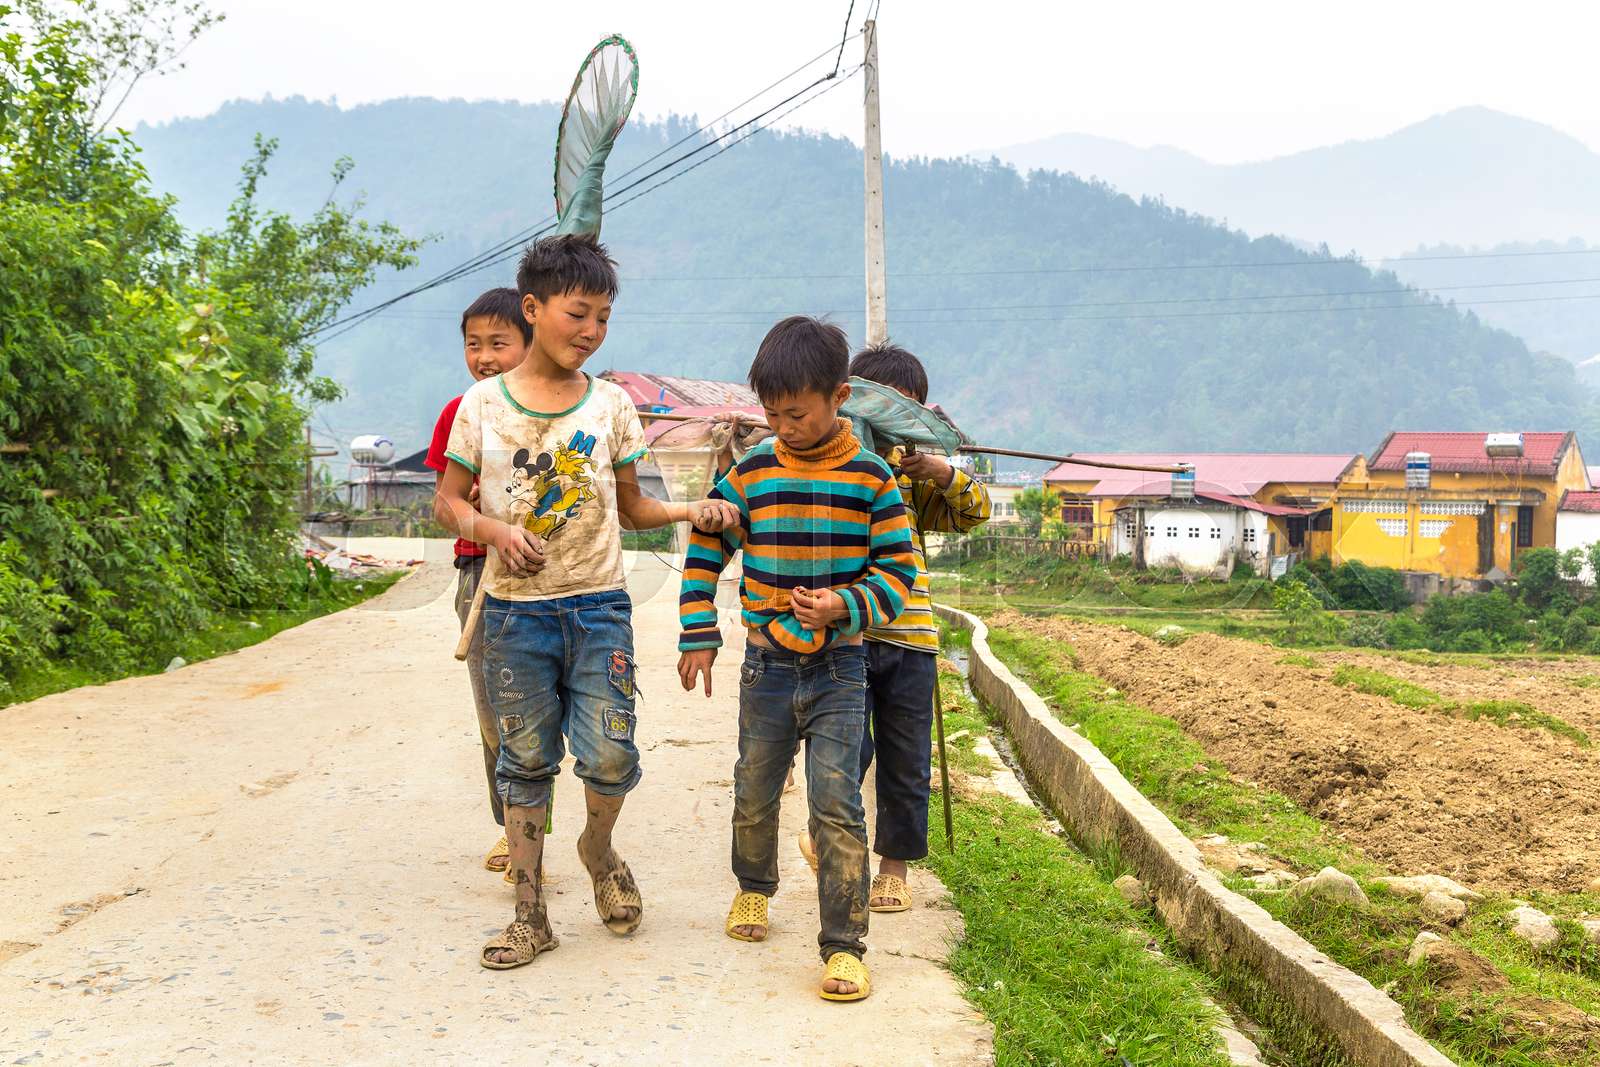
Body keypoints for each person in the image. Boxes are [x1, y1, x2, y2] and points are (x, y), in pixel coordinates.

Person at [434, 234, 738, 970]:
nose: (592, 331)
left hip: (600, 608)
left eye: (603, 317)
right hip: (513, 614)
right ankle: (530, 911)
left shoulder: (610, 407)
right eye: (579, 313)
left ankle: (598, 847)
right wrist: (493, 528)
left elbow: (631, 505)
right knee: (524, 759)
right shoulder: (482, 406)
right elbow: (446, 502)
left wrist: (690, 511)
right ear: (533, 309)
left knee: (610, 755)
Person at [676, 316, 918, 1002]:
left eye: (799, 412)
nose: (784, 425)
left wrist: (845, 605)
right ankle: (754, 886)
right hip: (766, 668)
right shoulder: (750, 472)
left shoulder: (873, 480)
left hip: (841, 667)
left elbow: (898, 574)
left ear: (840, 396)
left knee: (837, 802)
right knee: (755, 786)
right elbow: (705, 550)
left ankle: (844, 944)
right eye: (773, 413)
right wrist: (698, 632)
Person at [798, 342, 991, 913]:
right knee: (840, 749)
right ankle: (831, 838)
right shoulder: (838, 470)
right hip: (846, 634)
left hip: (910, 639)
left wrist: (943, 472)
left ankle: (894, 869)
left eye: (908, 410)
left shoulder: (915, 481)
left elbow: (973, 513)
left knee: (906, 759)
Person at [423, 287, 531, 880]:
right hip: (480, 575)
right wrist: (468, 509)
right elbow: (444, 499)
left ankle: (534, 807)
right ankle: (511, 825)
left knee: (545, 707)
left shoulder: (562, 409)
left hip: (549, 575)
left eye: (499, 343)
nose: (484, 356)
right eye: (473, 344)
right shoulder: (460, 412)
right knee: (494, 713)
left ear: (531, 341)